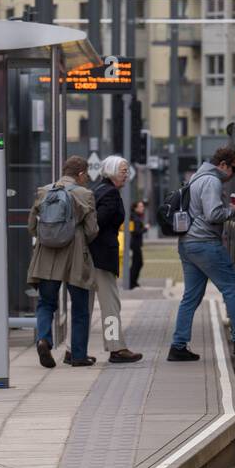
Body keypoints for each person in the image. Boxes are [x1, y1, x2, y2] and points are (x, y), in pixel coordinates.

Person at [169, 146, 235, 362]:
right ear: (223, 165)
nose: (232, 176)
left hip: (188, 243)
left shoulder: (196, 178)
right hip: (205, 243)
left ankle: (178, 346)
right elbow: (213, 214)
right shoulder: (212, 180)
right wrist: (234, 211)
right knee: (232, 288)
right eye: (233, 170)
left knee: (190, 297)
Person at [27, 156, 98, 369]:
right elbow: (92, 230)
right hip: (75, 255)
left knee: (46, 303)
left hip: (47, 255)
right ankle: (78, 355)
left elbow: (32, 225)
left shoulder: (44, 191)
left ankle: (44, 340)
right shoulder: (85, 194)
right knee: (80, 306)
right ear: (81, 174)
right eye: (86, 174)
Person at [88, 156, 143, 364]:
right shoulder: (110, 194)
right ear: (110, 171)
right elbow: (97, 224)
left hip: (91, 255)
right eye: (123, 171)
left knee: (84, 305)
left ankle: (73, 349)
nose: (126, 174)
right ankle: (116, 348)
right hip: (102, 257)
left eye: (127, 170)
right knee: (110, 304)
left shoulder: (98, 190)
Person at [128, 199, 148, 289]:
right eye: (140, 206)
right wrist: (145, 228)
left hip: (135, 243)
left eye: (143, 206)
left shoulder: (135, 216)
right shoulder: (135, 217)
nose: (142, 208)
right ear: (135, 208)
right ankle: (131, 282)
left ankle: (133, 282)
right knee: (138, 263)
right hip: (135, 243)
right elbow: (136, 231)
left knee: (137, 263)